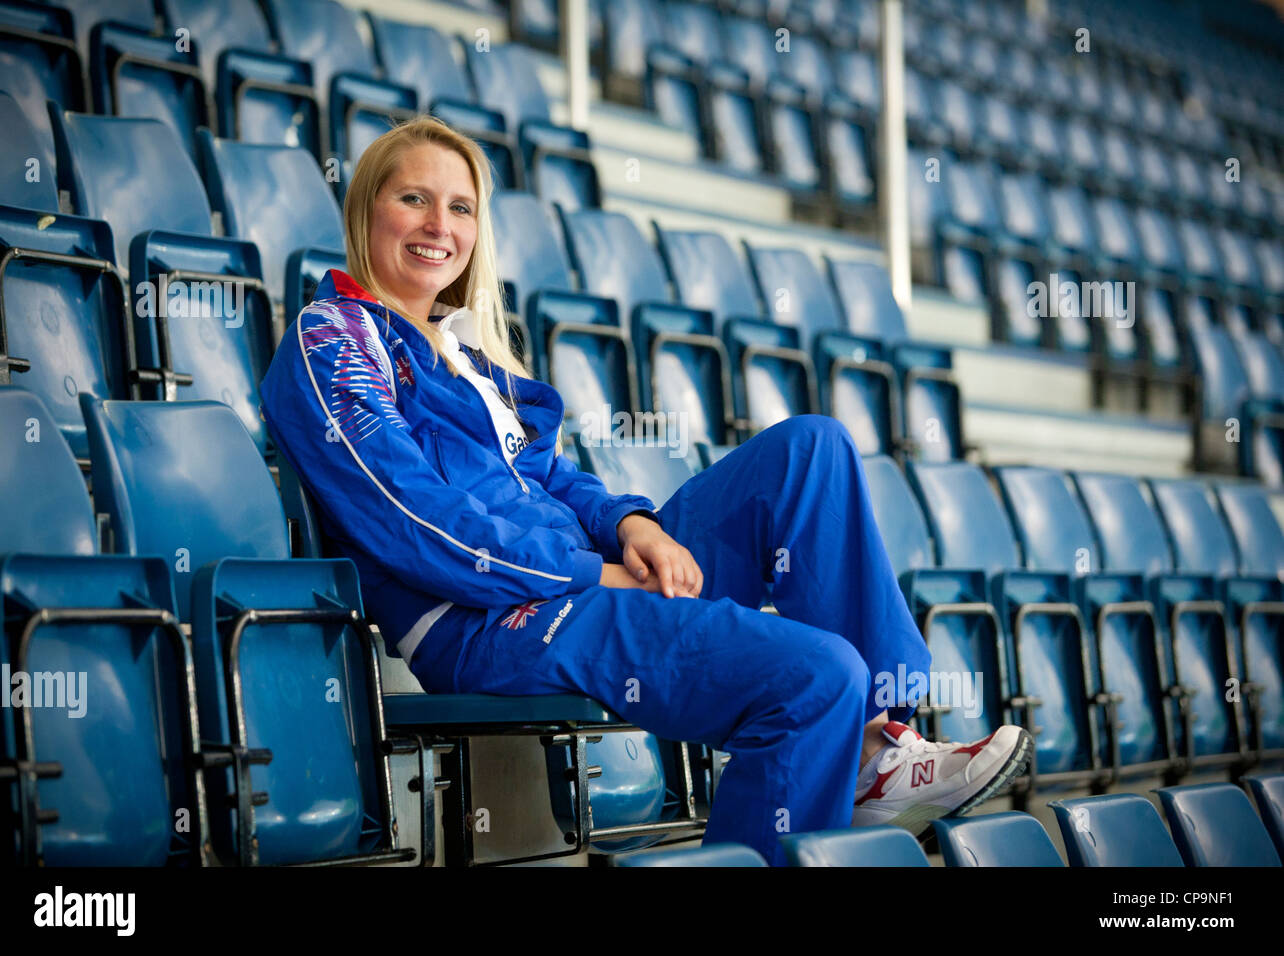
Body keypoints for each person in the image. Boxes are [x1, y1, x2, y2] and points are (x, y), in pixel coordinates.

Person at [258, 116, 1033, 866]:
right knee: (818, 676)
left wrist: (633, 527)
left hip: (582, 576)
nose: (440, 225)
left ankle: (876, 750)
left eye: (460, 207)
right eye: (414, 198)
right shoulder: (334, 337)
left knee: (812, 450)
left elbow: (554, 479)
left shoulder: (465, 355)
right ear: (365, 212)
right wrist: (592, 573)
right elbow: (414, 519)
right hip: (488, 619)